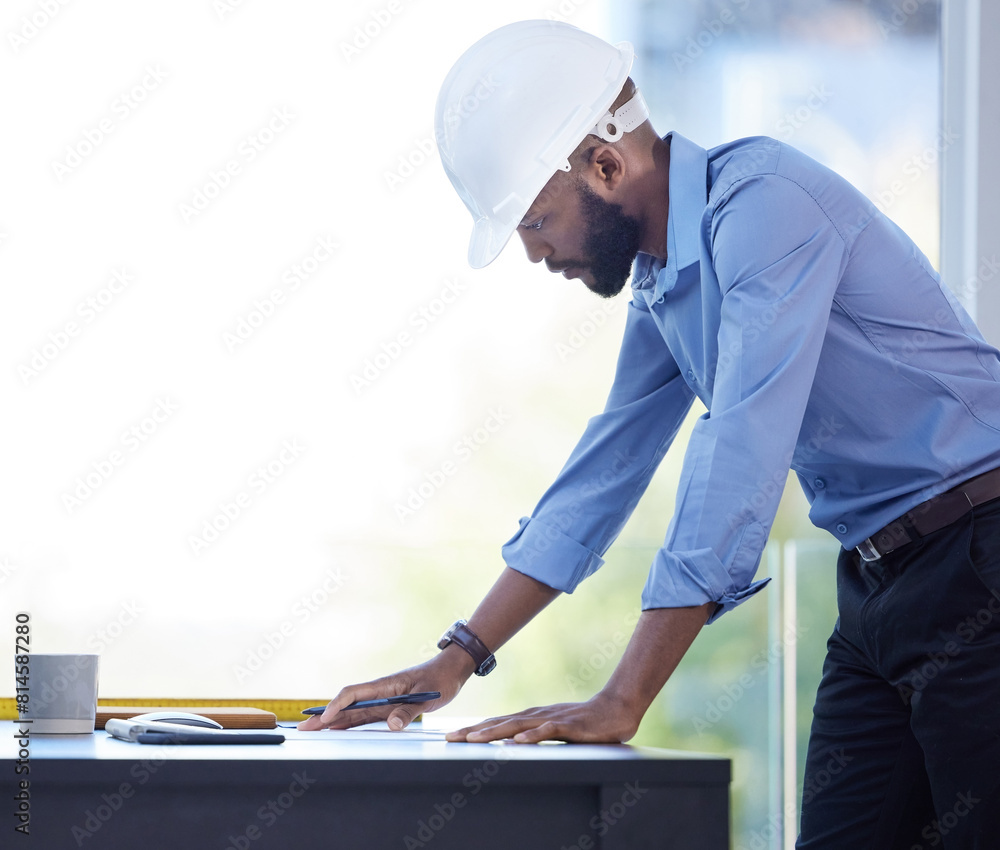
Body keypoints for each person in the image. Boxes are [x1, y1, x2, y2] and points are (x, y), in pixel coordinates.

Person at [301, 20, 1000, 847]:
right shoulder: (665, 278)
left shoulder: (767, 207)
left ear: (606, 165)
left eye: (536, 220)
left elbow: (740, 451)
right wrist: (456, 657)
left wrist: (623, 697)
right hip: (880, 580)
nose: (534, 254)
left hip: (979, 556)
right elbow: (606, 469)